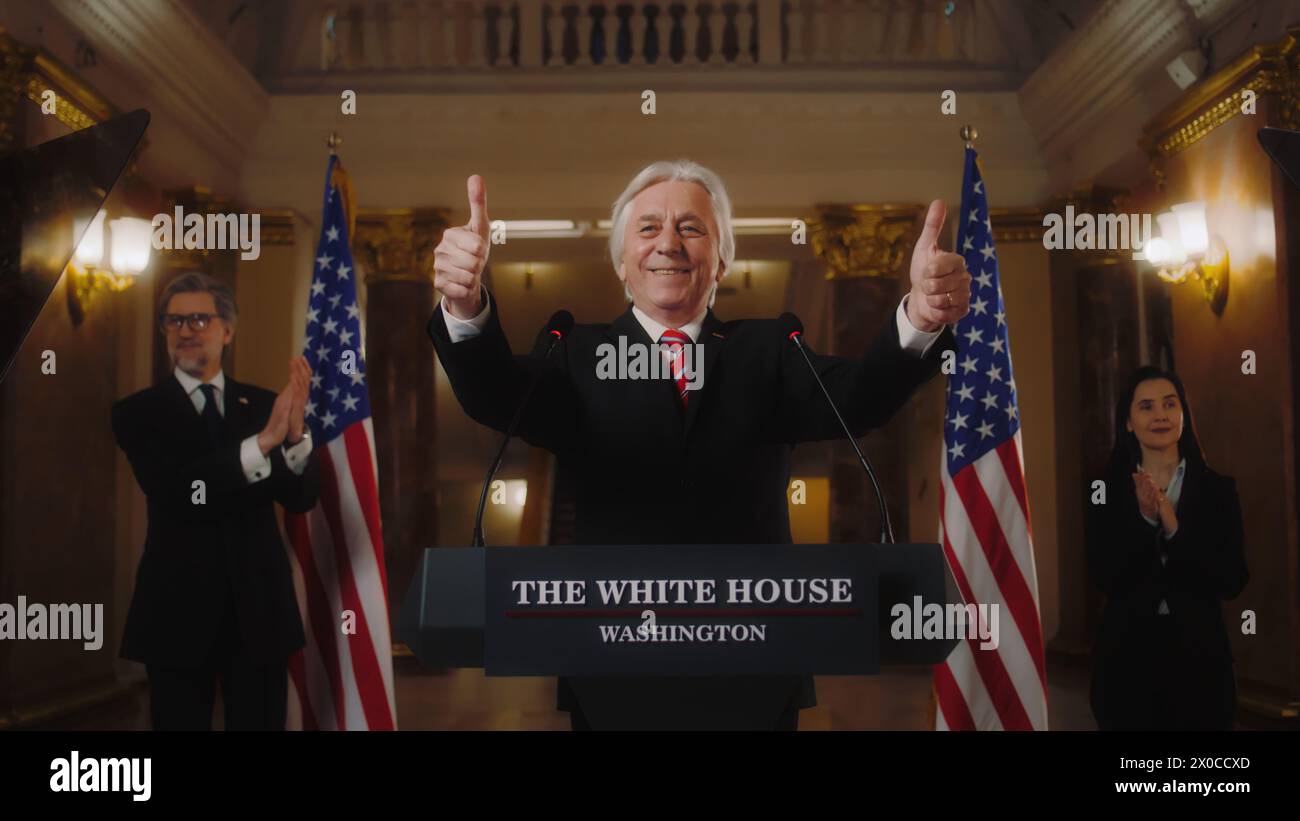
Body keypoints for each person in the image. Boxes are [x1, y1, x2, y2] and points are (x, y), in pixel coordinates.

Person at [428, 160, 969, 729]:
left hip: (754, 673)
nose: (669, 243)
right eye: (647, 228)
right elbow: (495, 396)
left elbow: (859, 397)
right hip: (613, 672)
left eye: (691, 227)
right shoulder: (574, 352)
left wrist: (920, 318)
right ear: (620, 262)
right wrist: (465, 308)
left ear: (722, 259)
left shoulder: (770, 349)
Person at [113, 272, 318, 730]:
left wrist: (296, 433)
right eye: (174, 321)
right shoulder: (137, 412)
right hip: (177, 614)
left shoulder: (267, 405)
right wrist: (264, 443)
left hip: (259, 612)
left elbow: (300, 498)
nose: (186, 330)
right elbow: (182, 493)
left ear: (227, 330)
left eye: (200, 319)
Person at [1087, 365, 1248, 730]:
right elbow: (1105, 575)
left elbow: (1232, 578)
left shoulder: (1218, 490)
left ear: (1183, 415)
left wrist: (1174, 528)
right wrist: (1145, 521)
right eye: (1146, 406)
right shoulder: (1103, 490)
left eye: (1169, 404)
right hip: (1126, 663)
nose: (1160, 414)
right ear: (1128, 422)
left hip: (1201, 663)